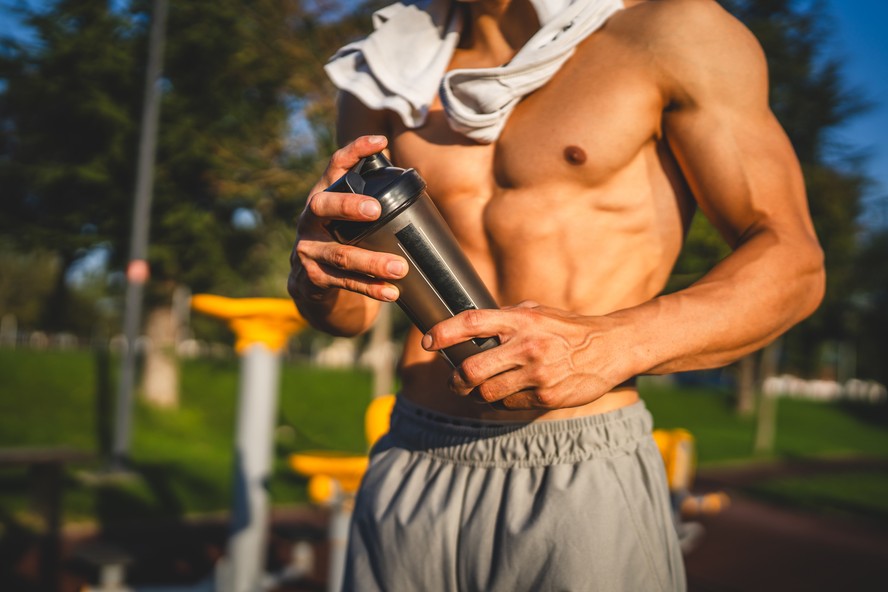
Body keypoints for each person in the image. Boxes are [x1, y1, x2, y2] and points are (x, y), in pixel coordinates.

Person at [288, 0, 825, 589]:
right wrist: (317, 275)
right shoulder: (386, 70)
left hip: (579, 464)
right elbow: (353, 312)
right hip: (413, 454)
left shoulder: (671, 33)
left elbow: (793, 261)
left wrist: (608, 344)